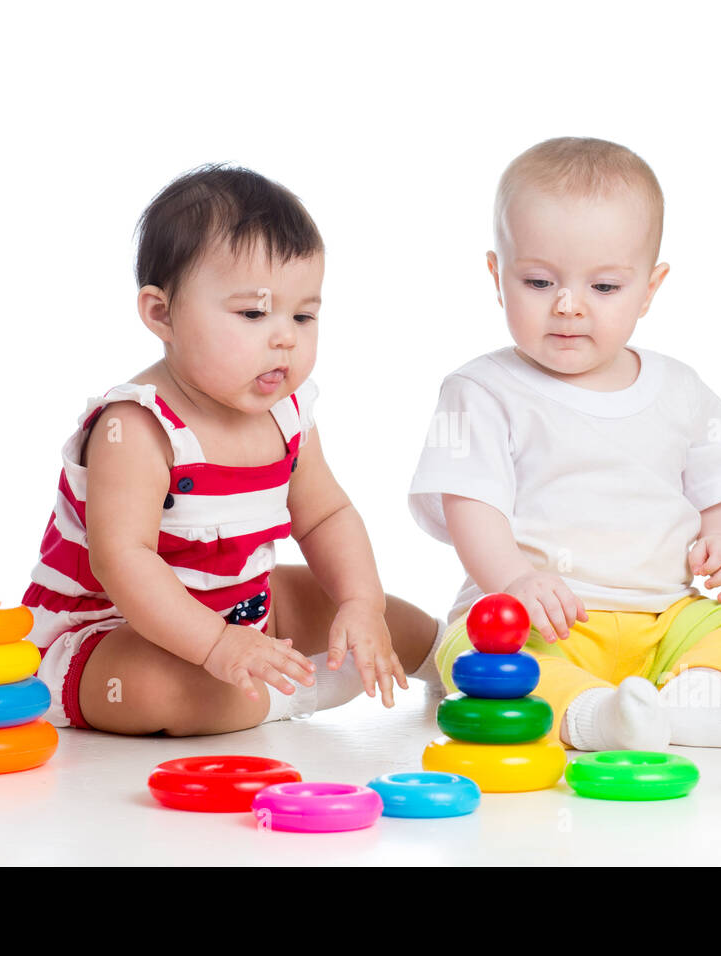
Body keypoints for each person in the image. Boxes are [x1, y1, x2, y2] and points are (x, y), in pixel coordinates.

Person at [24, 164, 444, 734]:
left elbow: (325, 515)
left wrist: (360, 604)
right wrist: (217, 644)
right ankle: (292, 696)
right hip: (111, 633)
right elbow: (122, 561)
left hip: (242, 606)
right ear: (162, 314)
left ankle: (456, 662)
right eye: (253, 314)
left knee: (368, 610)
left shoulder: (288, 412)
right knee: (159, 686)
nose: (286, 337)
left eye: (303, 315)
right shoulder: (138, 427)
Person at [409, 138, 721, 751]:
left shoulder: (681, 389)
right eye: (538, 281)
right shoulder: (483, 389)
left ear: (649, 288)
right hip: (540, 623)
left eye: (605, 288)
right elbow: (469, 502)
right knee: (479, 658)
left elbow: (719, 484)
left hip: (667, 618)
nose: (568, 306)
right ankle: (597, 717)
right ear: (497, 277)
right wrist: (513, 578)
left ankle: (697, 692)